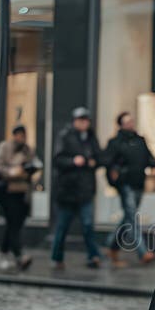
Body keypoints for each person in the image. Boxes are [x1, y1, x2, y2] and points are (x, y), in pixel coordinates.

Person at [103, 111, 155, 266]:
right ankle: (143, 251)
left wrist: (154, 166)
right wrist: (115, 176)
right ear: (121, 124)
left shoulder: (140, 140)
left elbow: (148, 157)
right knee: (132, 216)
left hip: (139, 182)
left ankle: (111, 245)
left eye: (131, 121)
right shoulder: (115, 142)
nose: (130, 124)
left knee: (128, 217)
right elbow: (108, 162)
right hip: (125, 184)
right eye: (127, 122)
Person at [51, 107, 103, 269]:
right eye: (81, 120)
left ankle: (93, 255)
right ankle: (57, 257)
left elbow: (99, 157)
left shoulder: (91, 137)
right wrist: (73, 161)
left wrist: (93, 162)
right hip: (67, 190)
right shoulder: (65, 136)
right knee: (62, 226)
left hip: (85, 189)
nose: (84, 123)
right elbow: (57, 160)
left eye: (86, 120)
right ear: (74, 121)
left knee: (88, 224)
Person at [0, 125, 39, 271]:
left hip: (23, 192)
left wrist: (30, 170)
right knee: (12, 223)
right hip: (8, 191)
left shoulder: (28, 150)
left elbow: (34, 165)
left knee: (15, 225)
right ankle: (19, 256)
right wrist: (11, 171)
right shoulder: (5, 147)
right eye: (18, 134)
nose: (21, 138)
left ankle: (3, 253)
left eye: (23, 135)